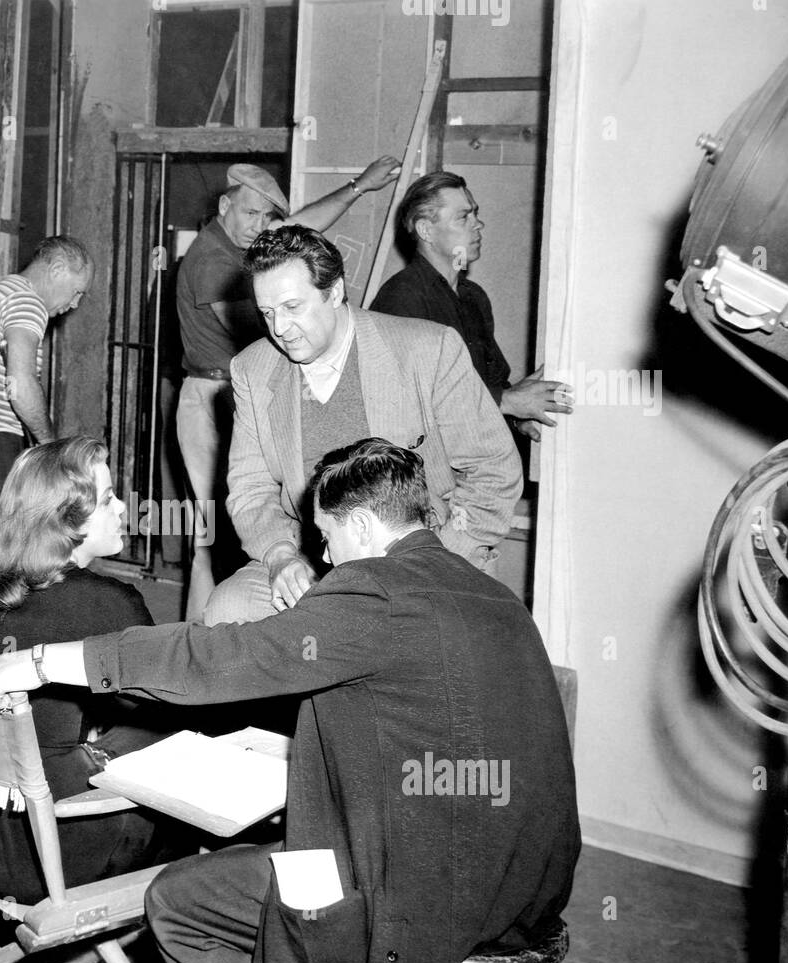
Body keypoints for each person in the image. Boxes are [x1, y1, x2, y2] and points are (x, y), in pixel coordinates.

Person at [0, 437, 580, 963]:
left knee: (181, 902)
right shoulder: (493, 596)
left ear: (363, 527)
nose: (325, 558)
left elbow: (221, 654)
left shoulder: (373, 591)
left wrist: (45, 662)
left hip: (426, 902)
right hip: (529, 893)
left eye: (327, 536)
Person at [0, 436, 193, 904]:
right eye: (107, 500)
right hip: (62, 857)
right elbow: (166, 720)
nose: (123, 507)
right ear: (66, 523)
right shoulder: (110, 603)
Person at [206, 224, 522, 626]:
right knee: (228, 611)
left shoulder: (428, 350)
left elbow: (495, 469)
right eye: (267, 313)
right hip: (310, 559)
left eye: (292, 307)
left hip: (427, 556)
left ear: (334, 292)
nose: (279, 329)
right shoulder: (253, 368)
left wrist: (436, 557)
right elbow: (250, 490)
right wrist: (280, 556)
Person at [175, 158, 402, 620]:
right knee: (211, 533)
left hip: (242, 396)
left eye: (266, 218)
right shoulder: (212, 261)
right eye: (250, 214)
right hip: (212, 396)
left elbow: (294, 234)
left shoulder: (240, 250)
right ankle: (200, 643)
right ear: (224, 206)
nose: (258, 226)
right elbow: (266, 338)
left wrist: (357, 187)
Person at [371, 172, 574, 443]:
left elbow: (488, 382)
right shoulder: (402, 298)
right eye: (463, 217)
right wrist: (508, 401)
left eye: (475, 214)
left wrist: (516, 417)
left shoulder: (473, 297)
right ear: (426, 230)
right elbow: (409, 398)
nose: (478, 224)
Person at [0, 236, 95, 552]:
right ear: (56, 268)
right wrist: (49, 447)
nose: (75, 304)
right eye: (77, 291)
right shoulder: (28, 302)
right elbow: (20, 384)